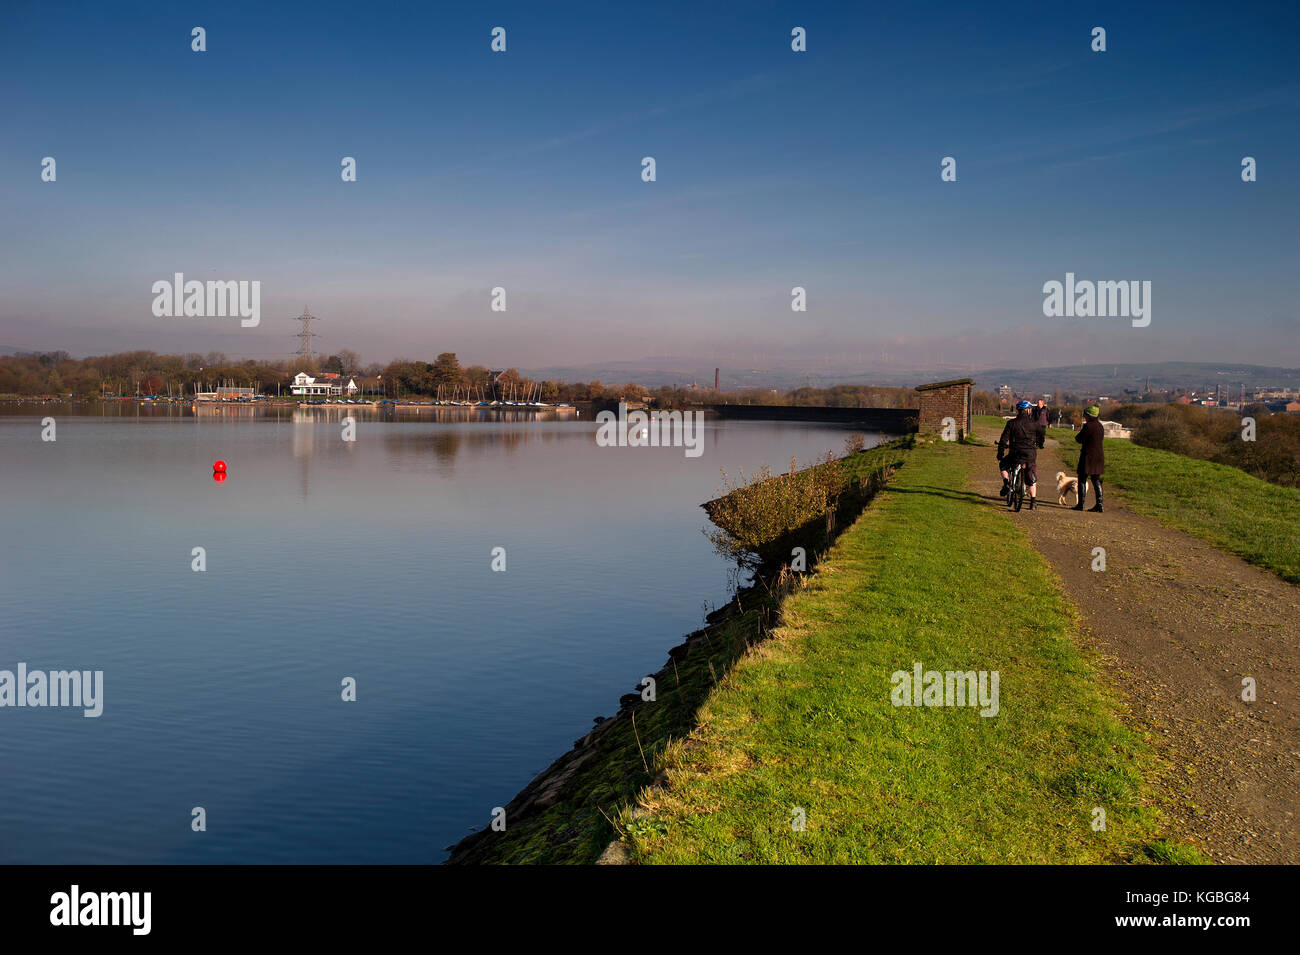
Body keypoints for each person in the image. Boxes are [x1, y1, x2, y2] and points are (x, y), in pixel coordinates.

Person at [998, 400, 1046, 508]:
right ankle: (1033, 501)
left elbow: (1003, 440)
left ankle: (1006, 482)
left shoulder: (1011, 423)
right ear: (1028, 410)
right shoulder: (1035, 423)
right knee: (1031, 475)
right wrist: (1040, 444)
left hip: (1015, 453)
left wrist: (1000, 453)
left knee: (1003, 464)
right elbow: (1041, 434)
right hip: (1030, 454)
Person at [1073, 404, 1105, 512]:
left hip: (1088, 456)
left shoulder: (1088, 426)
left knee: (1082, 479)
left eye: (1085, 415)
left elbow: (1079, 439)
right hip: (1099, 456)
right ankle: (1099, 504)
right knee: (1096, 480)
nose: (1084, 417)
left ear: (1089, 415)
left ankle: (1081, 504)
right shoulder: (1100, 426)